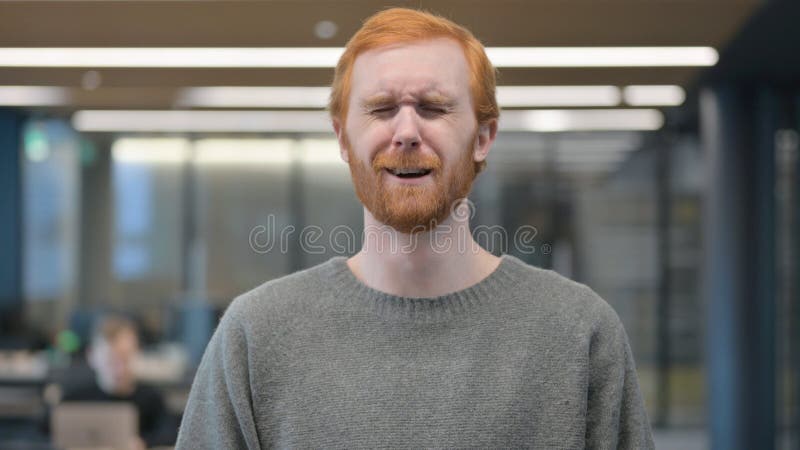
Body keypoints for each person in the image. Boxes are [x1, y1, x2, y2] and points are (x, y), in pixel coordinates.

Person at [176, 7, 654, 449]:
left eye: (433, 107)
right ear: (344, 139)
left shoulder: (579, 334)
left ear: (483, 137)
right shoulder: (256, 336)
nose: (406, 131)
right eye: (382, 108)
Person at [59, 314, 175, 448]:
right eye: (111, 361)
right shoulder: (75, 397)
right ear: (93, 357)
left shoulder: (151, 398)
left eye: (125, 359)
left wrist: (144, 443)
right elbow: (43, 433)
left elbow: (170, 434)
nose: (119, 370)